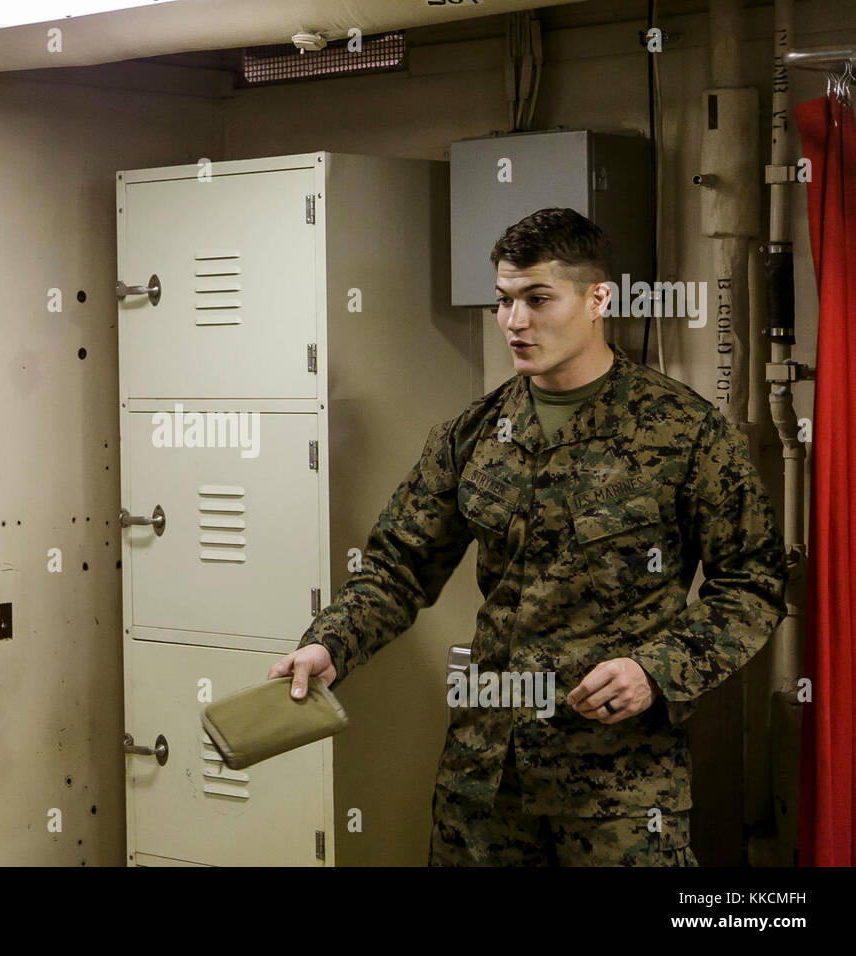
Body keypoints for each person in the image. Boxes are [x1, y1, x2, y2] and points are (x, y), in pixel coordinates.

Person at [266, 207, 787, 865]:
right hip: (485, 780)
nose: (515, 321)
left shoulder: (685, 433)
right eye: (504, 301)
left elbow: (753, 588)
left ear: (599, 298)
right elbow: (399, 565)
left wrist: (657, 670)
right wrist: (330, 643)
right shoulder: (474, 433)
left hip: (617, 792)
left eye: (538, 299)